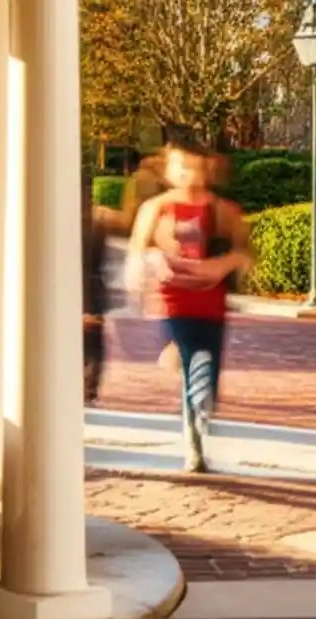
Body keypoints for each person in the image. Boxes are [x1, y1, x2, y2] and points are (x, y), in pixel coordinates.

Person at [126, 141, 253, 472]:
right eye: (181, 166)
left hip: (210, 299)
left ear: (208, 169)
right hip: (172, 297)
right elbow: (137, 248)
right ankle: (193, 439)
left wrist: (222, 265)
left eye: (196, 167)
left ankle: (200, 412)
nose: (189, 174)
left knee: (206, 367)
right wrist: (148, 264)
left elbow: (244, 253)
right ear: (168, 170)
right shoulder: (156, 208)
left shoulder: (223, 210)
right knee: (189, 357)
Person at [83, 172, 109, 406]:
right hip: (92, 290)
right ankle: (89, 389)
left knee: (90, 344)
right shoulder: (96, 224)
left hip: (88, 290)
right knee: (92, 344)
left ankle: (88, 388)